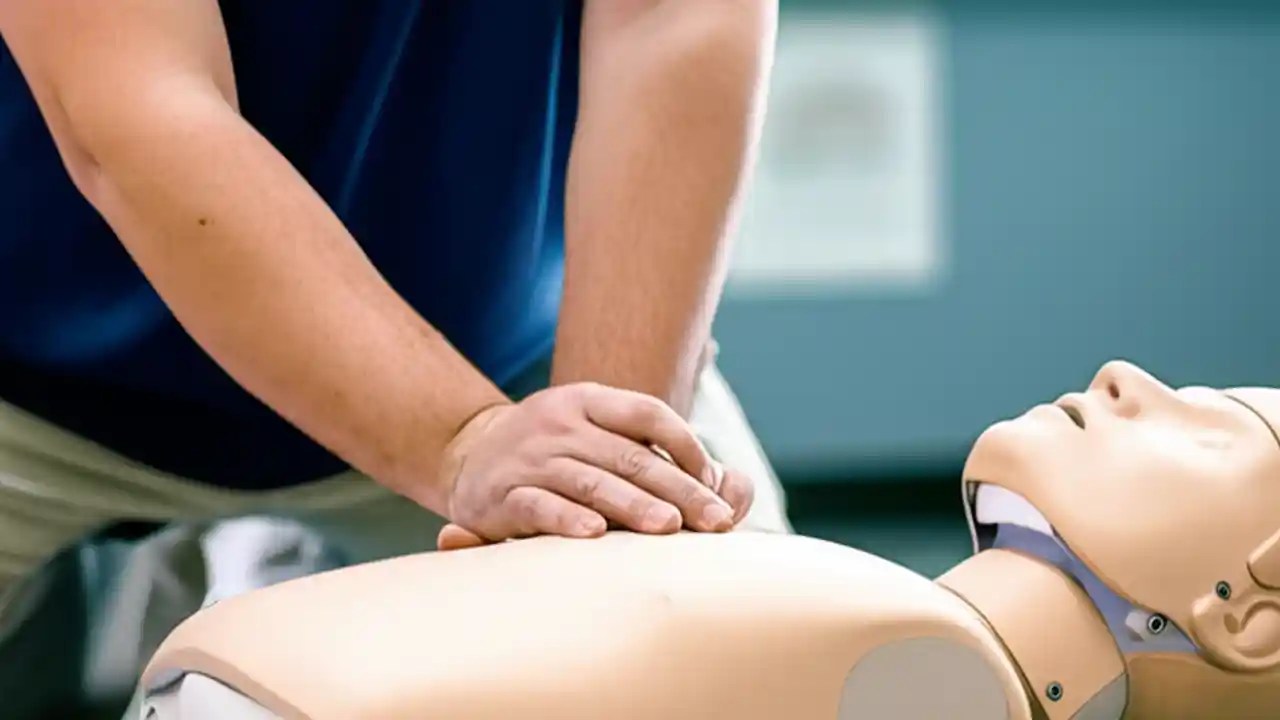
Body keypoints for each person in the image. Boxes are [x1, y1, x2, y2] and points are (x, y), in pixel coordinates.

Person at [0, 0, 791, 713]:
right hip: (36, 368)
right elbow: (139, 104)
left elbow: (674, 20)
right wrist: (461, 438)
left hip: (503, 361)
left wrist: (600, 470)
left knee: (745, 670)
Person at [142, 360, 1280, 719]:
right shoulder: (853, 619)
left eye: (1204, 430)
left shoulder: (911, 659)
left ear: (1248, 617)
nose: (1123, 376)